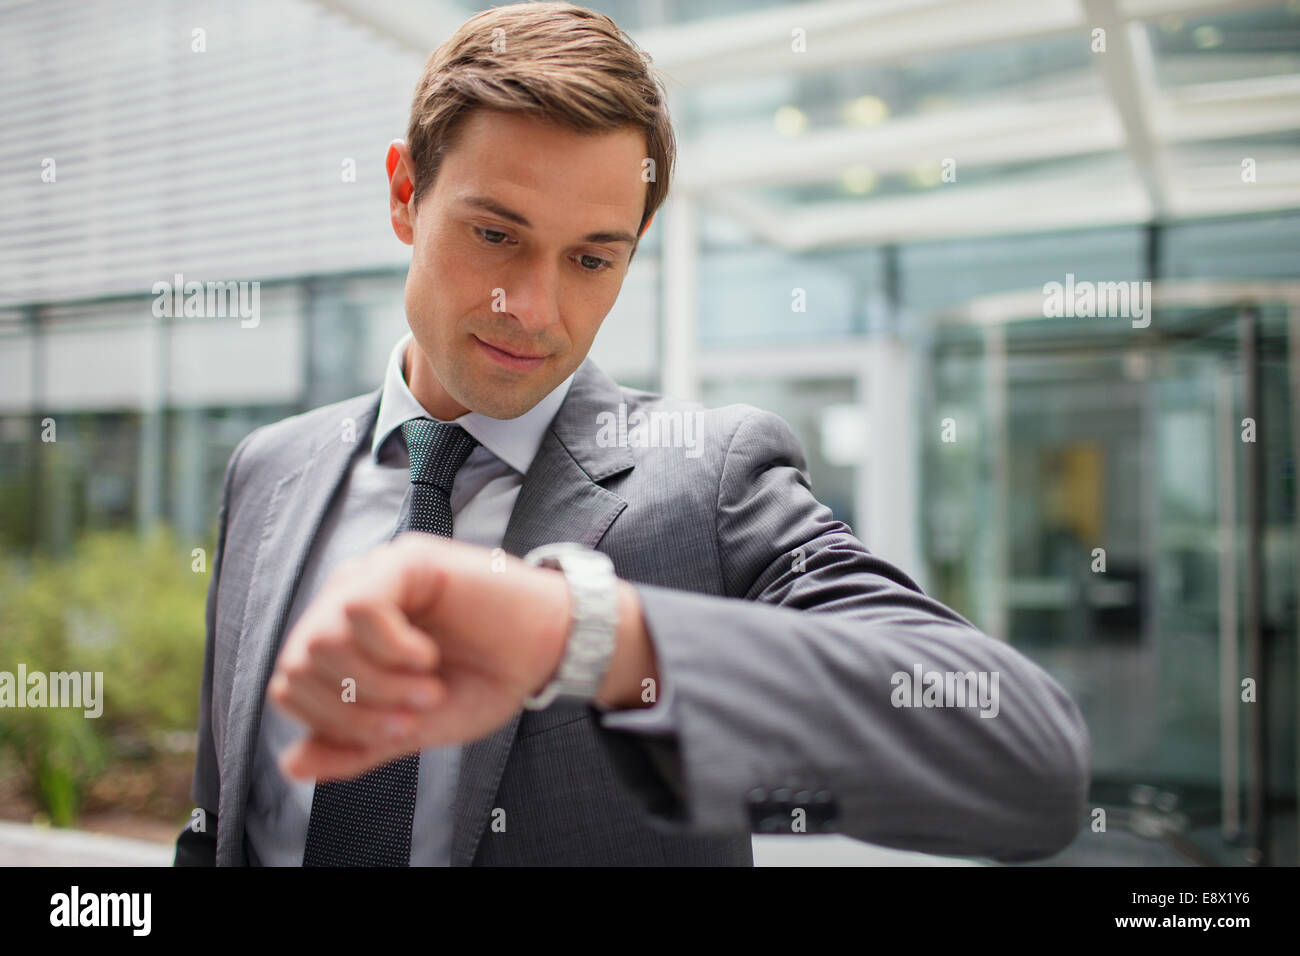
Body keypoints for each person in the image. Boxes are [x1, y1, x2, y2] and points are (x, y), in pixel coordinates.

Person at [174, 0, 1090, 867]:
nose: (532, 309)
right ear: (406, 193)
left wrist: (582, 635)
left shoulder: (711, 480)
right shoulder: (271, 469)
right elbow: (218, 824)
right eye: (496, 235)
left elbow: (1030, 761)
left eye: (591, 259)